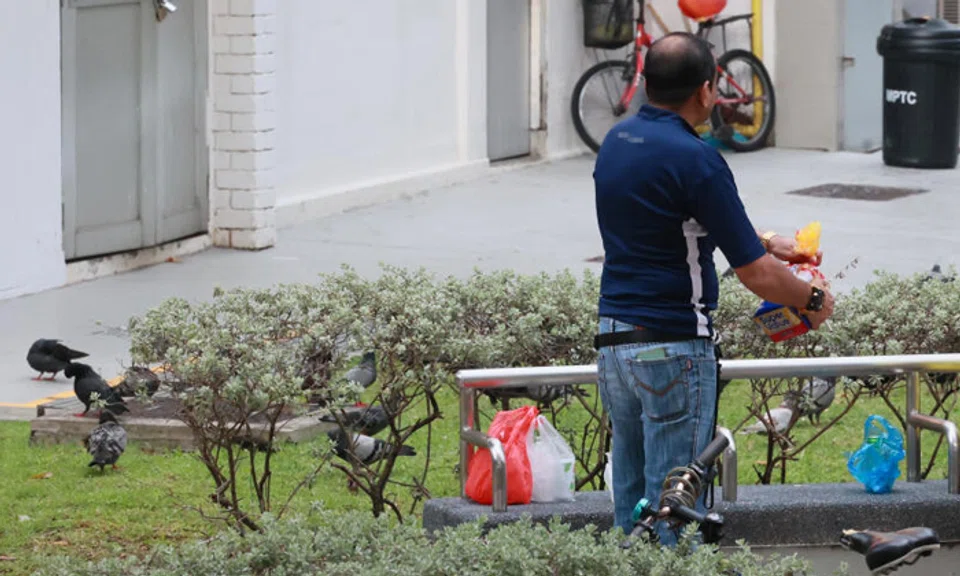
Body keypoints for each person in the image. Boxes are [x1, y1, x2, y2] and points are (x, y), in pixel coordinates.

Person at [592, 32, 835, 546]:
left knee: (631, 510)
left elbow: (666, 220)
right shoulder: (697, 158)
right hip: (672, 345)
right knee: (674, 512)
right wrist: (813, 300)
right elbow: (756, 275)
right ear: (705, 91)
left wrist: (767, 240)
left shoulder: (617, 141)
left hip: (613, 342)